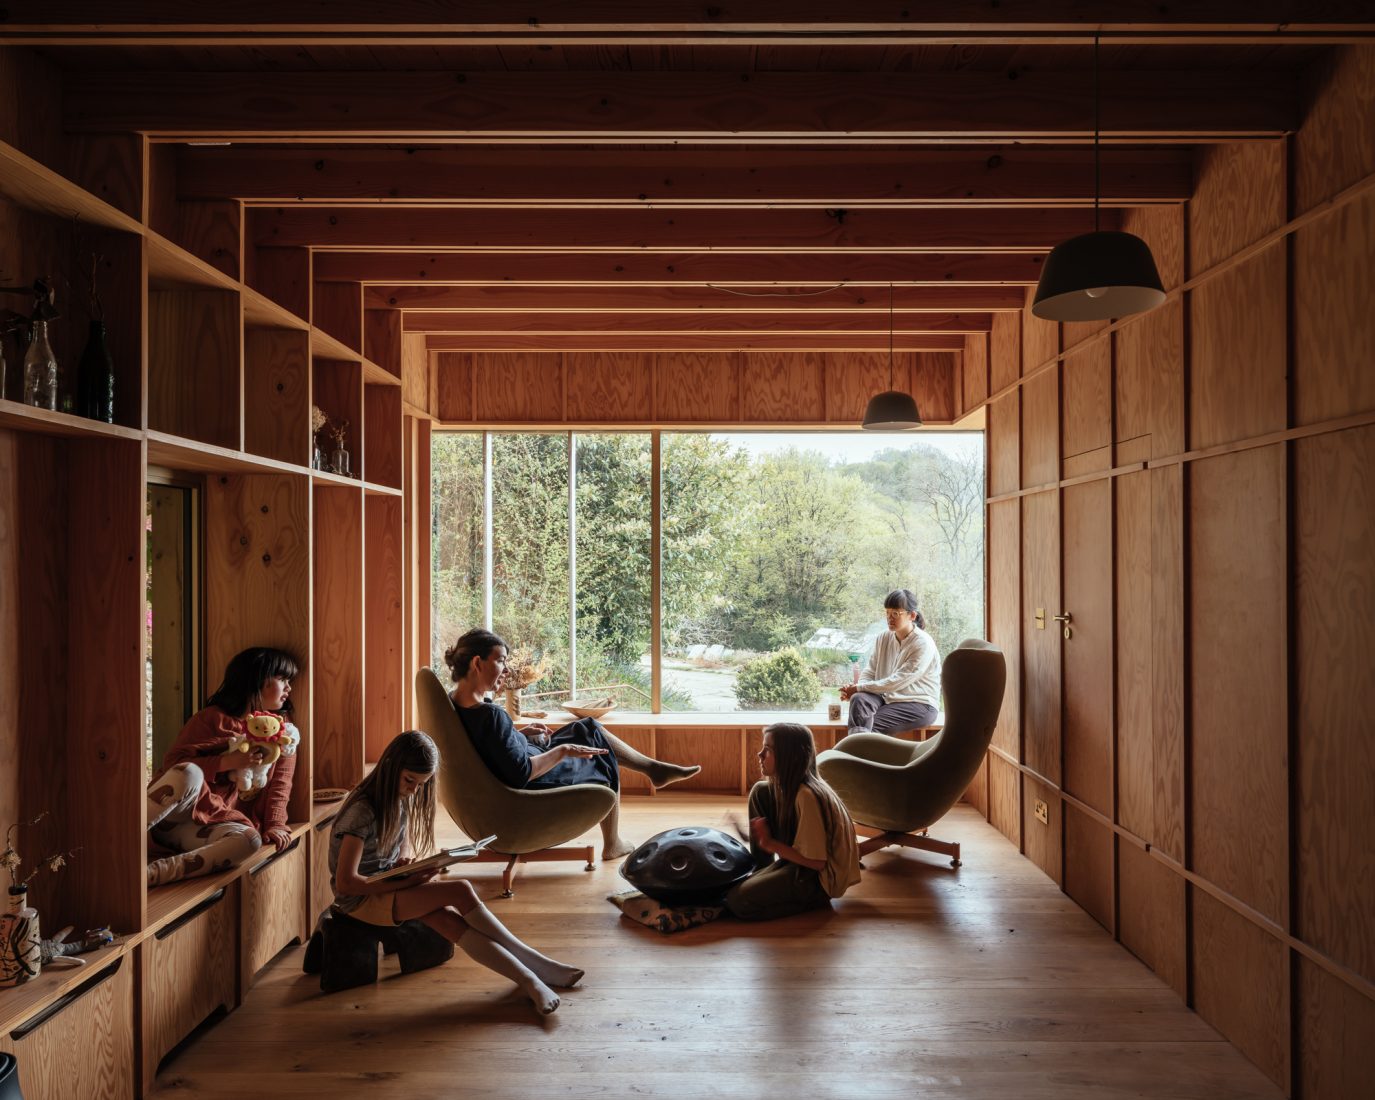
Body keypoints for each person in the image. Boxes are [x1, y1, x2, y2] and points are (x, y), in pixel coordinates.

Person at [330, 730, 582, 1015]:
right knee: (459, 890)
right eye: (410, 781)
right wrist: (406, 881)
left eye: (421, 784)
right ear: (389, 766)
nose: (414, 790)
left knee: (448, 920)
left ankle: (530, 979)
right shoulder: (362, 812)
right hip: (359, 901)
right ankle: (536, 965)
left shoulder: (396, 796)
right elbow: (346, 883)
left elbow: (401, 844)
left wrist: (405, 864)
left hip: (386, 886)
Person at [445, 628, 701, 859]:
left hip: (514, 768)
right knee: (600, 754)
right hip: (531, 784)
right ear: (477, 663)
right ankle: (613, 841)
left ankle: (652, 769)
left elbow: (494, 746)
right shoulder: (491, 715)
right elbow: (520, 773)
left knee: (586, 727)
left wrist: (520, 734)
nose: (507, 670)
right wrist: (563, 751)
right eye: (501, 661)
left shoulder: (455, 704)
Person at [146, 647, 300, 887]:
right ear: (257, 680)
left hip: (202, 827)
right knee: (189, 772)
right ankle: (124, 839)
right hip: (170, 815)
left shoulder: (282, 733)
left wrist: (275, 824)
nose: (289, 688)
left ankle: (150, 875)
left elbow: (281, 783)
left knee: (249, 840)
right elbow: (173, 765)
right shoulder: (211, 718)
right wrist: (229, 762)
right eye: (282, 679)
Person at [724, 722, 861, 921]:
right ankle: (763, 871)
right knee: (761, 791)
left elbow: (817, 862)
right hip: (801, 862)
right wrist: (755, 837)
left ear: (790, 757)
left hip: (818, 880)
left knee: (737, 901)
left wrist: (769, 843)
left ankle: (810, 900)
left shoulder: (807, 796)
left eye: (768, 750)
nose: (760, 754)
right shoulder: (789, 787)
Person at [839, 588, 941, 734]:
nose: (889, 618)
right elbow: (870, 671)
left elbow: (898, 681)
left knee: (867, 727)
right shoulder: (883, 637)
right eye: (887, 613)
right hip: (887, 697)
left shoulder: (923, 643)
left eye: (895, 614)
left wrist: (858, 688)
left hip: (918, 703)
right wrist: (858, 688)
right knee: (859, 699)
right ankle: (859, 745)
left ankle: (857, 746)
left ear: (912, 615)